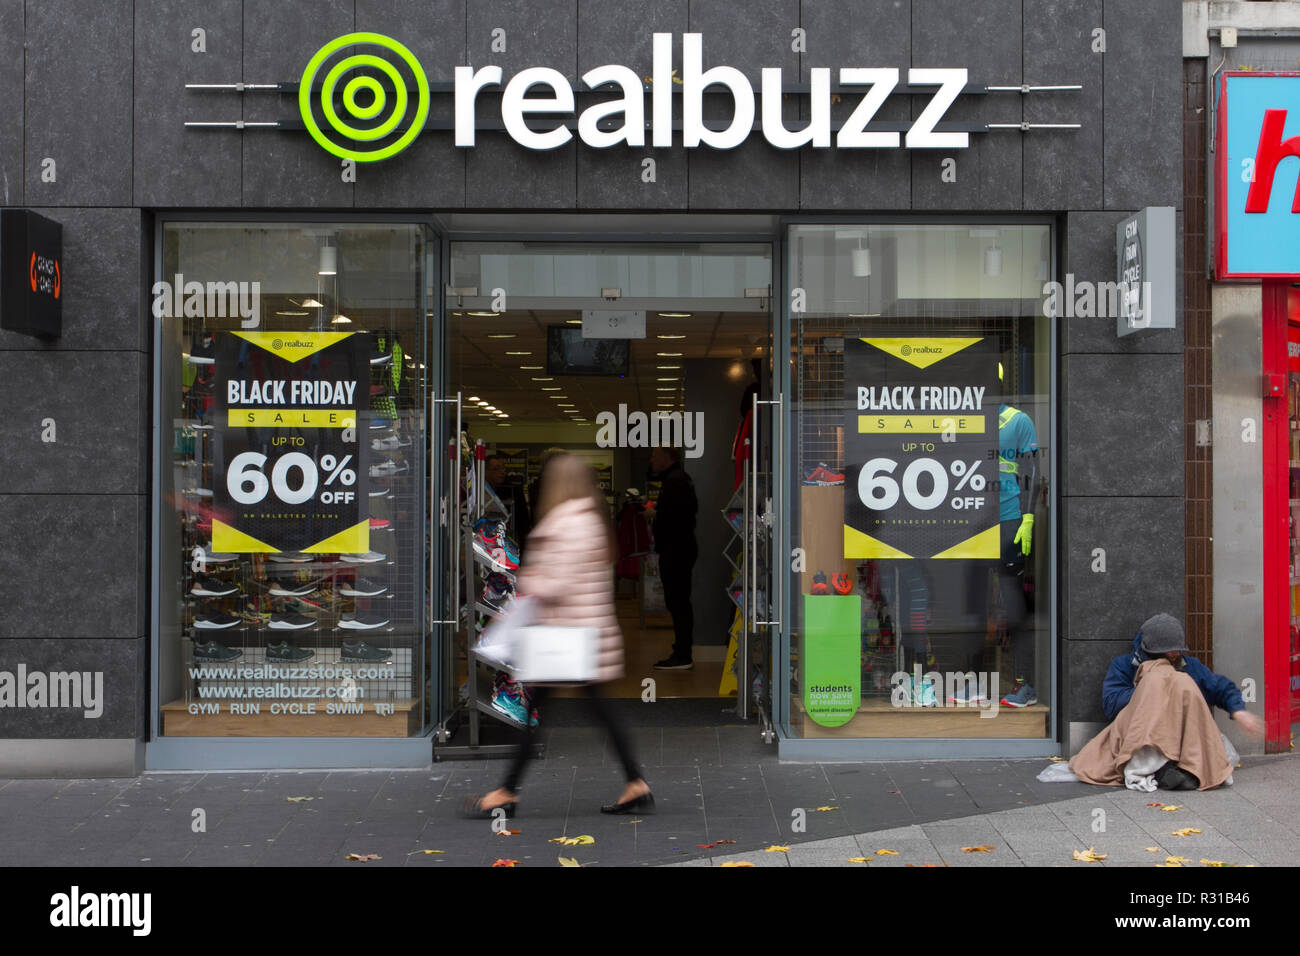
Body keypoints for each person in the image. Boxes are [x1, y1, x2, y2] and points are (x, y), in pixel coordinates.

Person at [462, 454, 652, 817]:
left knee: (538, 711)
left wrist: (529, 580)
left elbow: (558, 581)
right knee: (595, 712)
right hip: (582, 636)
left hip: (564, 637)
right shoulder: (590, 520)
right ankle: (634, 783)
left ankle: (506, 792)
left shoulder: (566, 523)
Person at [1070, 613, 1264, 791]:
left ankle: (1180, 768)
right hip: (1141, 736)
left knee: (1184, 689)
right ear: (1151, 651)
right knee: (1156, 689)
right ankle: (1162, 768)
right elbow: (1111, 706)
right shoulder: (1123, 666)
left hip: (1184, 735)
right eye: (1168, 653)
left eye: (1177, 652)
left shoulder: (1190, 668)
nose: (1174, 656)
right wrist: (1150, 690)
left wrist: (1238, 711)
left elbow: (1221, 687)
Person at [649, 445, 698, 670]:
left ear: (666, 458)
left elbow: (677, 518)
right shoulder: (680, 479)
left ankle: (682, 654)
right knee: (679, 602)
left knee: (677, 603)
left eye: (654, 456)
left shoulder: (674, 481)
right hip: (680, 549)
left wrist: (655, 515)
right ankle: (681, 651)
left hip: (676, 550)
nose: (651, 460)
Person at [485, 453, 532, 546]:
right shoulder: (479, 489)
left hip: (511, 540)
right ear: (485, 471)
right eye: (496, 469)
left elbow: (523, 523)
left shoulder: (513, 490)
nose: (502, 472)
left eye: (503, 468)